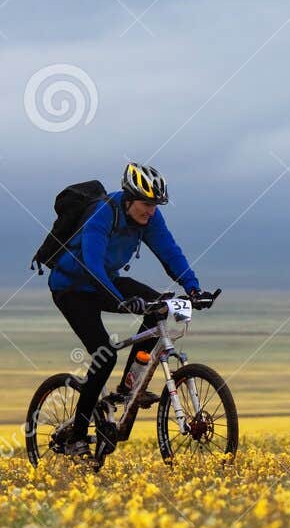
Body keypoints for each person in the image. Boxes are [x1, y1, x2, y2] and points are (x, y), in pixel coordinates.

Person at [47, 162, 202, 456]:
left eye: (156, 204)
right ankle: (77, 434)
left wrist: (194, 288)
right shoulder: (102, 213)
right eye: (146, 204)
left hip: (108, 284)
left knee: (159, 308)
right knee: (104, 355)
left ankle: (131, 385)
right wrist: (119, 298)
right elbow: (92, 265)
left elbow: (170, 252)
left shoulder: (151, 220)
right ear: (129, 199)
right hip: (72, 289)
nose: (151, 211)